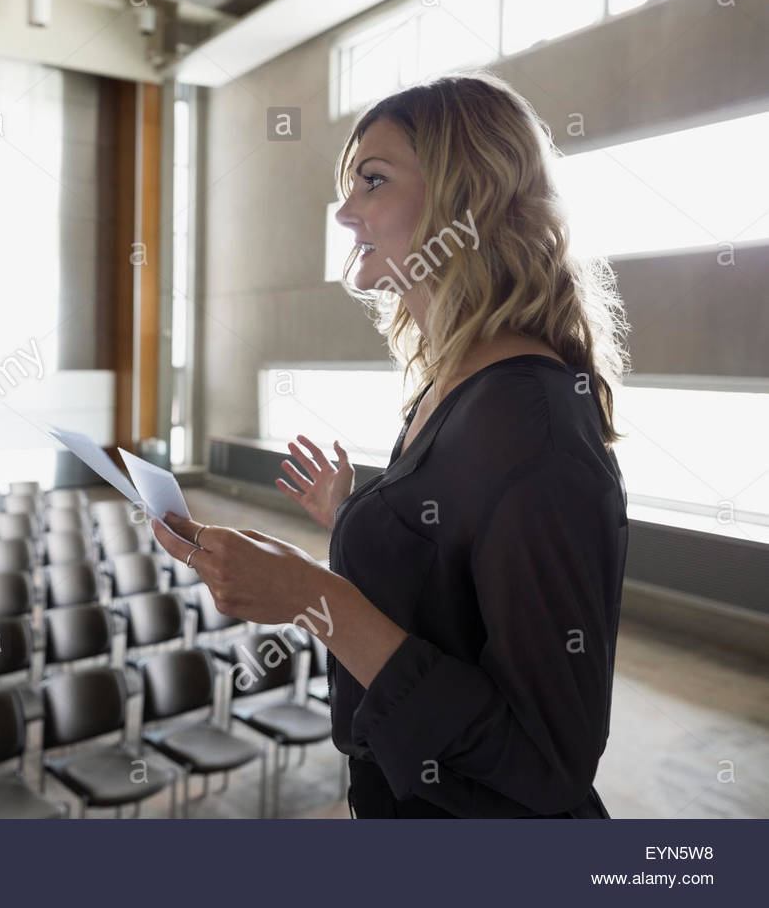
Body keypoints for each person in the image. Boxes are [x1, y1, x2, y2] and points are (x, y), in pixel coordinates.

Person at [151, 72, 631, 818]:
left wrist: (314, 596)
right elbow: (451, 595)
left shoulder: (533, 426)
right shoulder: (449, 388)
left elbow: (546, 764)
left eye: (372, 181)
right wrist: (356, 517)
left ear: (468, 200)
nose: (345, 213)